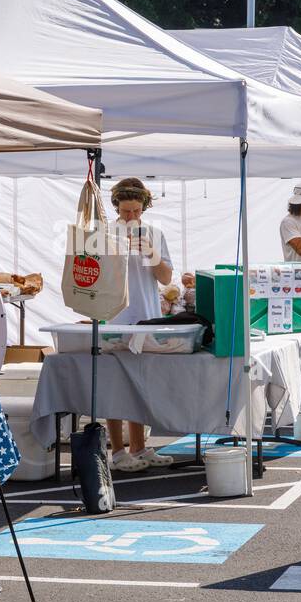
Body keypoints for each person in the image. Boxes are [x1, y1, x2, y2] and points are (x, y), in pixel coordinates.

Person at [102, 178, 175, 473]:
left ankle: (139, 446)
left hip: (145, 314)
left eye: (135, 211)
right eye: (126, 211)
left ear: (144, 208)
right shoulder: (105, 233)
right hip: (115, 316)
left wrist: (150, 252)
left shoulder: (154, 234)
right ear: (116, 207)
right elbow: (95, 275)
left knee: (140, 382)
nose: (131, 217)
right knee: (114, 383)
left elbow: (167, 278)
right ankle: (117, 451)